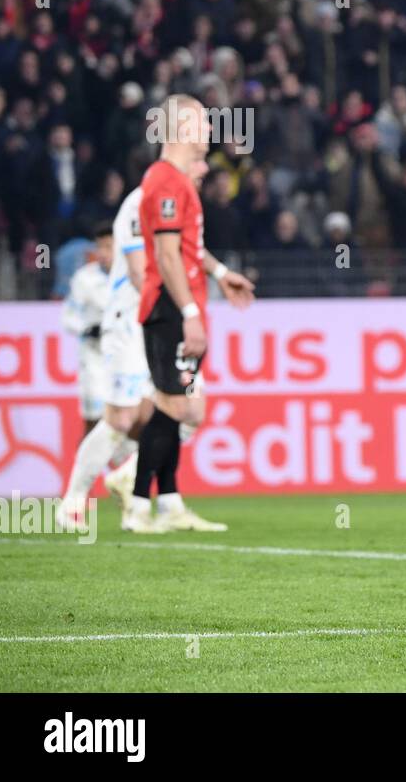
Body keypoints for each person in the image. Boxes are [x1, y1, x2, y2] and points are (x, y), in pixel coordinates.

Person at [124, 95, 256, 533]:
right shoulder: (163, 180)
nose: (209, 129)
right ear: (181, 128)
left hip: (184, 304)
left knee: (178, 405)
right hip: (169, 307)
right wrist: (188, 312)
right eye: (202, 122)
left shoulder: (176, 181)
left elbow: (187, 247)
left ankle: (165, 503)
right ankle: (140, 503)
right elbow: (165, 255)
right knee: (175, 405)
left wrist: (220, 273)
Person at [56, 222, 114, 528]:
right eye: (101, 247)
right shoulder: (84, 279)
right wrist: (85, 328)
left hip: (124, 360)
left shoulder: (132, 277)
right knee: (93, 423)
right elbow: (68, 315)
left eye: (110, 246)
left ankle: (129, 492)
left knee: (130, 425)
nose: (105, 253)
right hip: (93, 358)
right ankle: (79, 497)